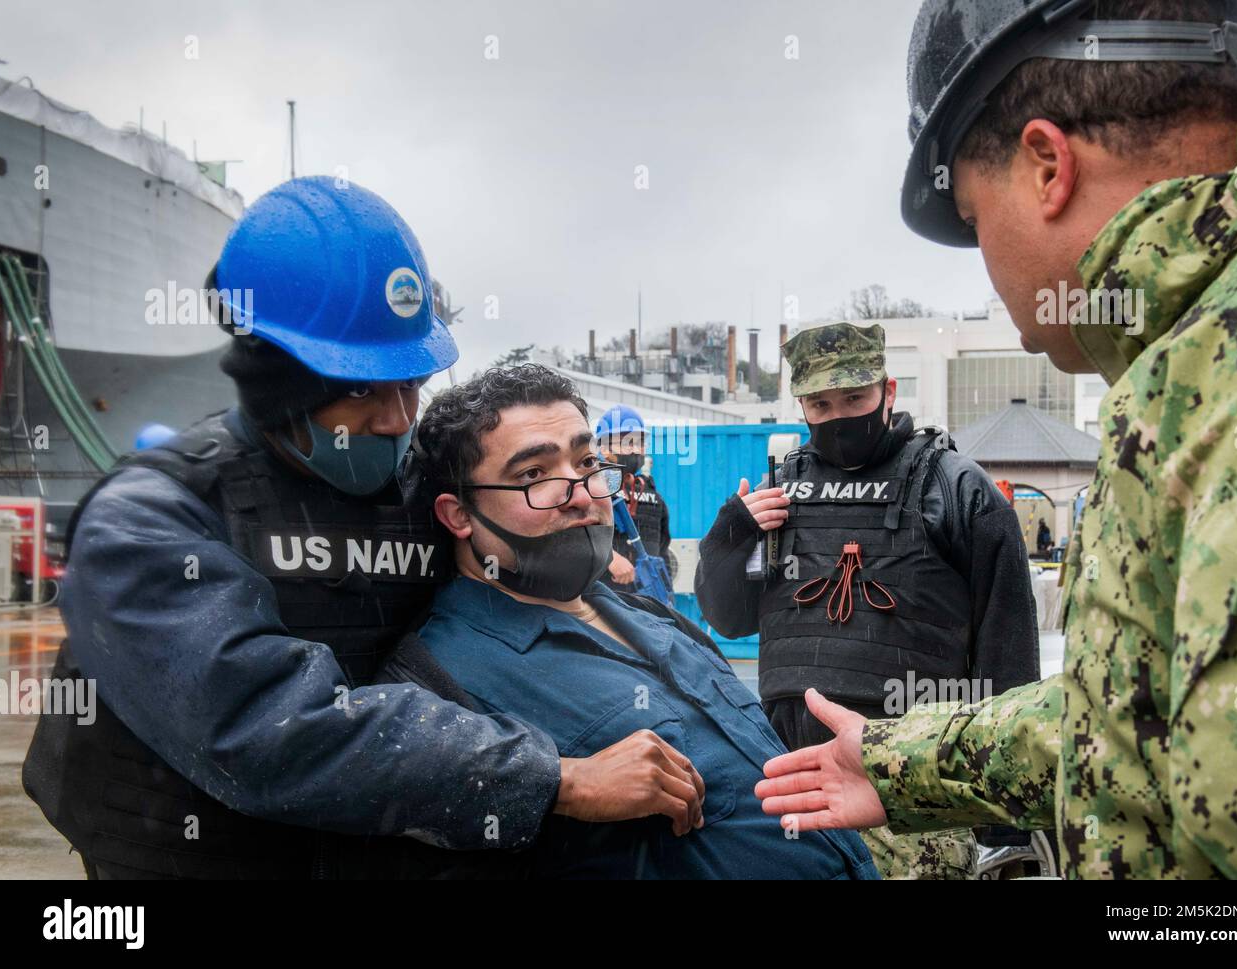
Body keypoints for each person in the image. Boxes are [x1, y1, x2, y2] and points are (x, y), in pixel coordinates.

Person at [22, 177, 703, 879]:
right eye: (359, 390)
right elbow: (265, 727)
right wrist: (553, 778)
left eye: (409, 381)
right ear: (276, 382)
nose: (398, 418)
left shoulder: (419, 493)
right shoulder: (150, 519)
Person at [756, 0, 1237, 879]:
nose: (988, 263)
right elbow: (1127, 720)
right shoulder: (1194, 361)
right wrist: (901, 761)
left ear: (1046, 164)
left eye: (972, 219)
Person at [378, 364, 880, 879]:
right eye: (533, 475)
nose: (581, 492)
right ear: (458, 514)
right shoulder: (441, 682)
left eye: (586, 461)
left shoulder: (653, 618)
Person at [696, 320, 1040, 879]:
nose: (839, 417)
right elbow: (727, 619)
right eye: (821, 404)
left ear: (889, 391)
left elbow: (1008, 654)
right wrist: (731, 536)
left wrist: (1005, 819)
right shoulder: (779, 491)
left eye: (854, 398)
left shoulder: (955, 487)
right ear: (803, 407)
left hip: (909, 791)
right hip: (791, 783)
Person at [594, 404, 674, 597]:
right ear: (605, 448)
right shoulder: (588, 488)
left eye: (641, 442)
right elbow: (567, 543)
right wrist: (609, 558)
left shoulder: (653, 496)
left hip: (647, 600)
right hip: (600, 600)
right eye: (629, 443)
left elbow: (663, 551)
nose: (637, 450)